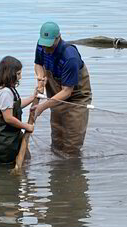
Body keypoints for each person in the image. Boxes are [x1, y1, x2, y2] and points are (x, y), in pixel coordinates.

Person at [28, 21, 93, 155]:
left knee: (71, 143)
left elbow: (67, 91)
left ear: (59, 38)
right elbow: (38, 64)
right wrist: (40, 77)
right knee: (57, 139)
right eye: (44, 45)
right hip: (56, 96)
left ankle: (72, 170)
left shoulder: (70, 57)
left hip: (76, 98)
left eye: (49, 46)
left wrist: (41, 107)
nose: (46, 49)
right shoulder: (41, 45)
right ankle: (57, 172)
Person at [0, 55, 35, 165]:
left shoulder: (9, 90)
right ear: (10, 74)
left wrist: (32, 98)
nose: (20, 77)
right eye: (18, 74)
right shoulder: (5, 93)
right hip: (4, 140)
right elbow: (8, 118)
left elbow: (14, 106)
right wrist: (26, 126)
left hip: (11, 136)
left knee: (25, 159)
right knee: (8, 164)